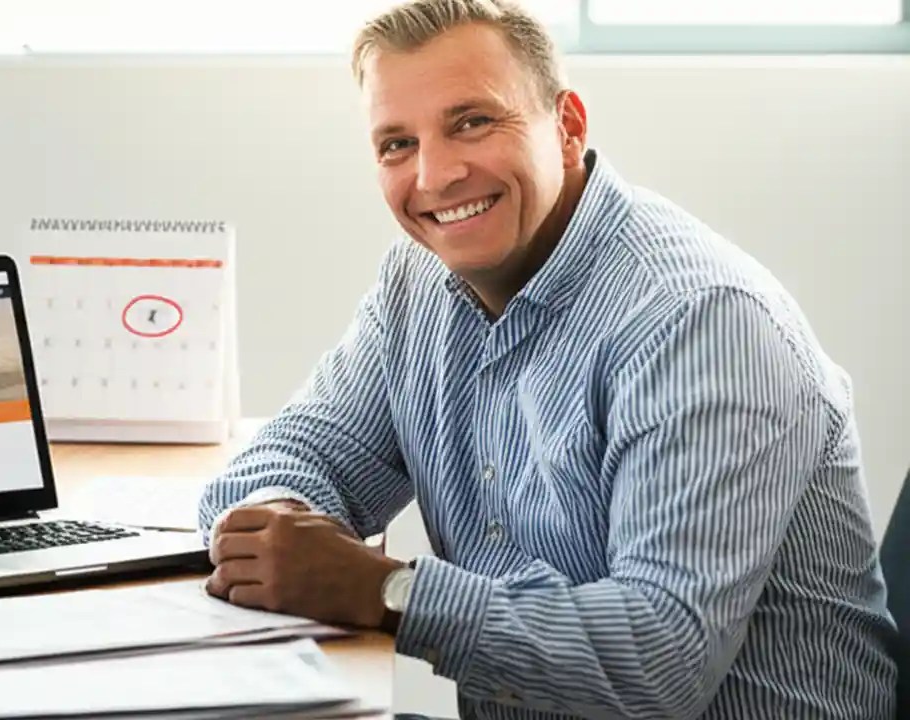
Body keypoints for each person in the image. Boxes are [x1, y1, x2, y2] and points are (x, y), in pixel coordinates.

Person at [197, 1, 896, 717]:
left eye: (471, 122)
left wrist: (385, 593)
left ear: (566, 128)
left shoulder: (699, 320)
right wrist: (275, 533)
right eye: (396, 145)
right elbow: (289, 456)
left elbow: (659, 662)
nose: (435, 176)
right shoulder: (416, 287)